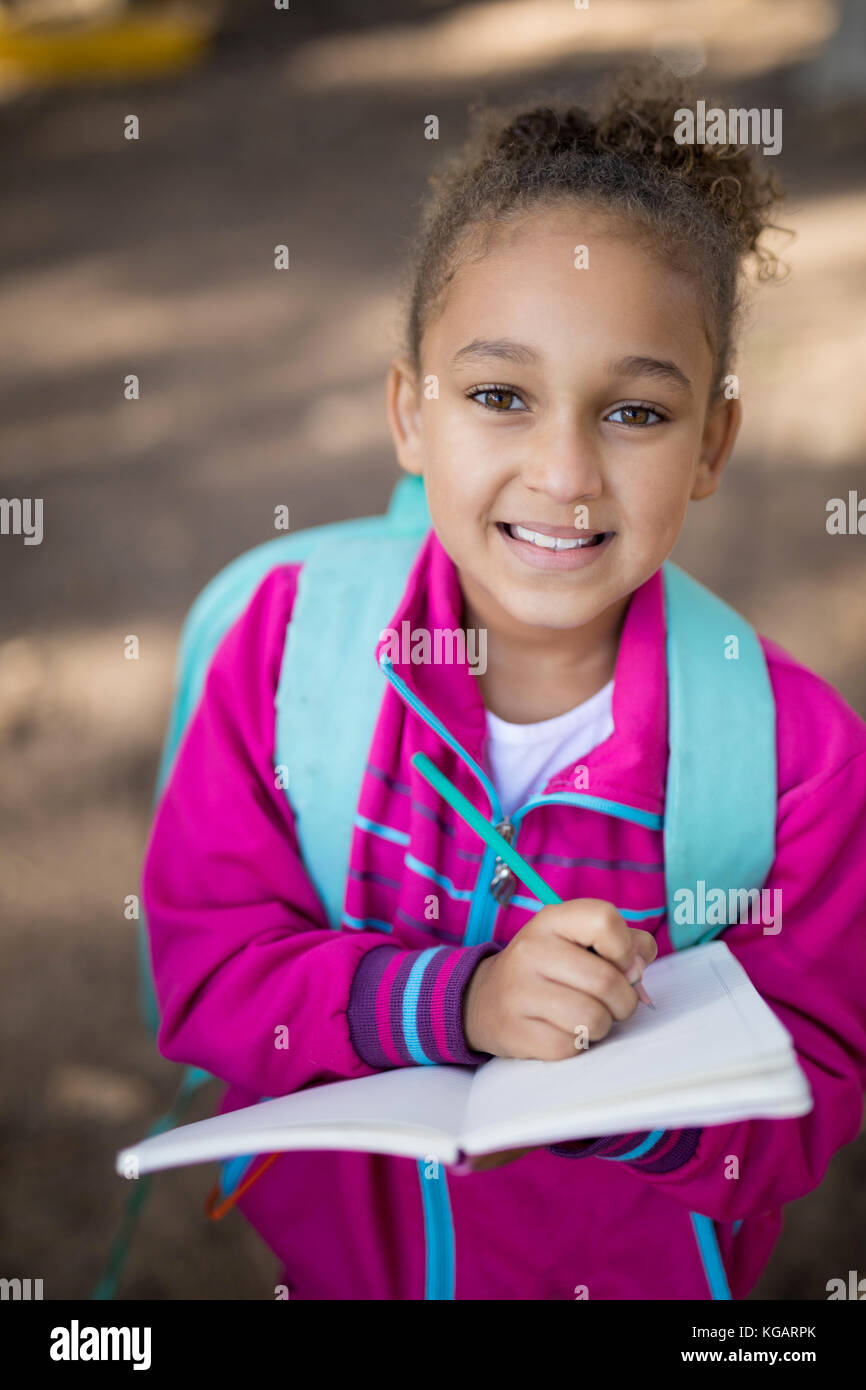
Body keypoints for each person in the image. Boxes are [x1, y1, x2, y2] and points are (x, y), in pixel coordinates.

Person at [142, 65, 866, 1300]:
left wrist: (624, 1096)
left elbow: (810, 1091)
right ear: (409, 416)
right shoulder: (284, 653)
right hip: (342, 1270)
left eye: (634, 412)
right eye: (497, 395)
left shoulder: (798, 758)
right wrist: (456, 1000)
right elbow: (212, 977)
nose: (564, 470)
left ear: (711, 446)